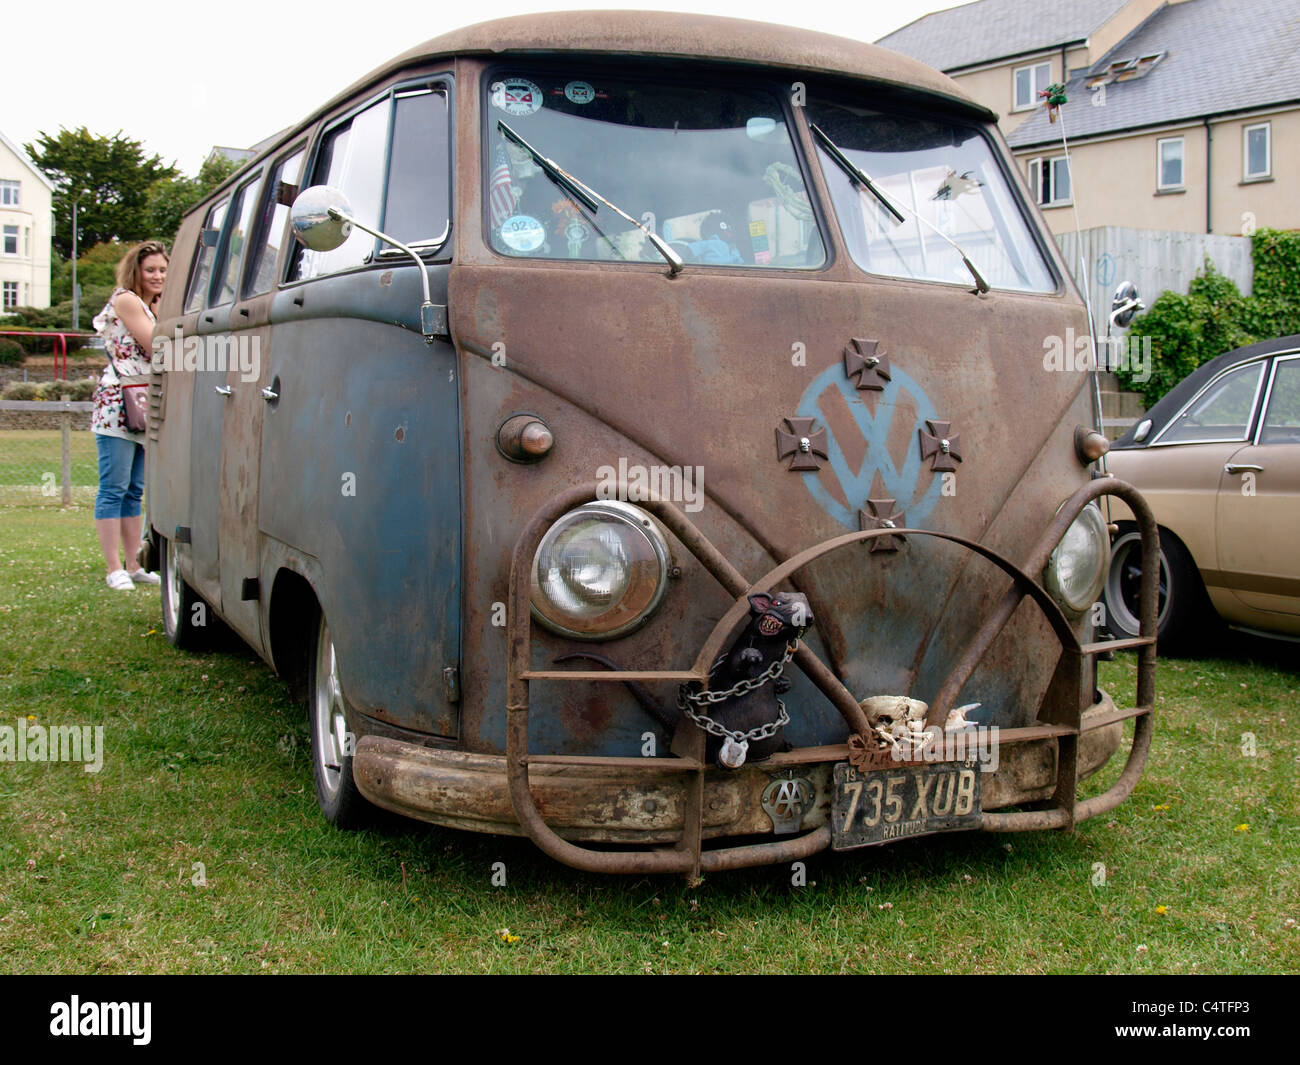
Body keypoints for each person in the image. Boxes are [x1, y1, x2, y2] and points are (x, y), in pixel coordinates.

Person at [91, 240, 167, 591]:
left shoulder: (151, 306)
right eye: (150, 270)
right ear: (135, 271)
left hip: (141, 402)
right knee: (113, 488)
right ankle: (113, 568)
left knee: (134, 489)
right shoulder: (127, 300)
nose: (157, 276)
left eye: (163, 270)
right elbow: (157, 345)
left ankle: (134, 563)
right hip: (117, 404)